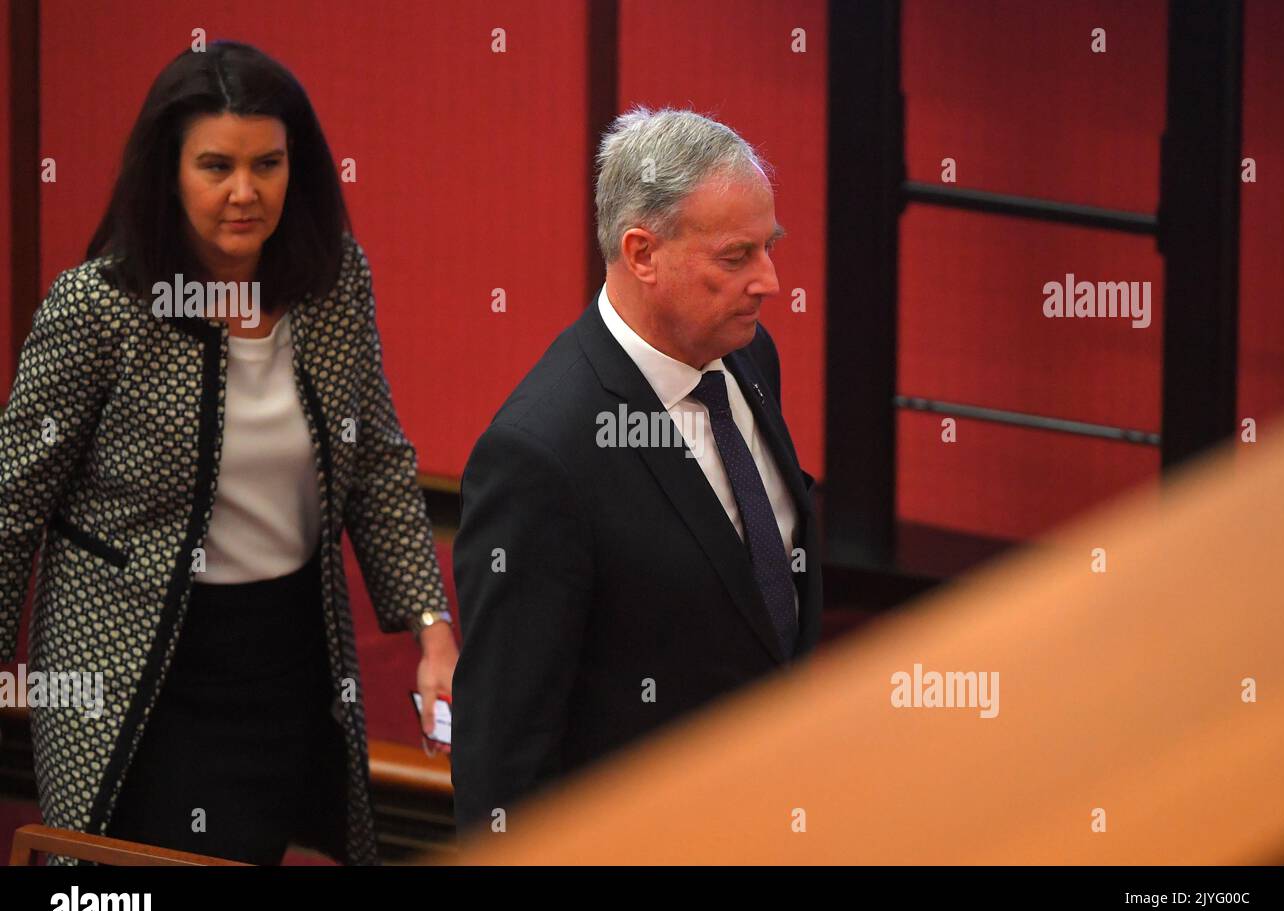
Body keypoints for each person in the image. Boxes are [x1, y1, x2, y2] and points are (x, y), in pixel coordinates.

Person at [0, 41, 458, 865]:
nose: (245, 193)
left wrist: (432, 630)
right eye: (215, 166)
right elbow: (13, 499)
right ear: (168, 174)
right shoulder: (98, 309)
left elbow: (379, 458)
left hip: (288, 652)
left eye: (268, 164)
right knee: (129, 892)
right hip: (135, 668)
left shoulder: (332, 281)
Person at [452, 107, 823, 839]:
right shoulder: (540, 454)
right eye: (736, 256)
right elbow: (504, 750)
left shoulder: (749, 356)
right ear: (641, 253)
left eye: (769, 248)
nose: (770, 281)